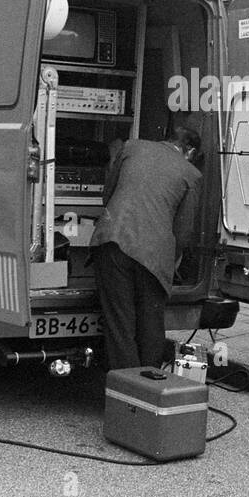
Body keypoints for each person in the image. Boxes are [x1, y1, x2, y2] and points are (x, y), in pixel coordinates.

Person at [92, 127, 202, 370]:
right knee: (151, 322)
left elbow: (107, 195)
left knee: (120, 323)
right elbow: (183, 233)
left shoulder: (132, 147)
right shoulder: (191, 174)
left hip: (114, 240)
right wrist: (170, 262)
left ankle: (127, 391)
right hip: (154, 256)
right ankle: (149, 384)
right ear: (190, 151)